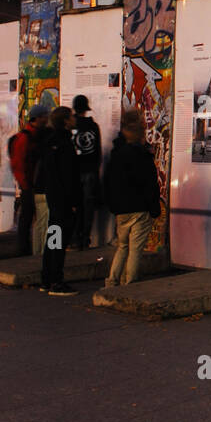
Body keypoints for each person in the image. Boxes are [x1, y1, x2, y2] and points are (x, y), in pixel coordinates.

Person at [103, 108, 160, 287]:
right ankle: (130, 282)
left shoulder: (117, 153)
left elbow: (109, 181)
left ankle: (112, 281)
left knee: (122, 246)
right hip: (140, 208)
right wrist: (154, 208)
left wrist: (113, 205)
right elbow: (150, 183)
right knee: (135, 249)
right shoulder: (143, 156)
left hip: (121, 209)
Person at [36, 106, 81, 296]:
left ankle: (47, 278)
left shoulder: (50, 142)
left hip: (53, 199)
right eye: (71, 116)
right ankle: (57, 280)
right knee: (59, 241)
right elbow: (68, 176)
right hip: (62, 201)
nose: (74, 118)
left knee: (53, 239)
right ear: (65, 121)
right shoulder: (64, 144)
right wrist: (73, 201)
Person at [11, 104, 49, 256]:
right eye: (44, 116)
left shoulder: (34, 135)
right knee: (29, 218)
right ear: (38, 118)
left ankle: (32, 250)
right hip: (31, 185)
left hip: (33, 184)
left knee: (32, 219)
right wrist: (26, 185)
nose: (47, 119)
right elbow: (18, 163)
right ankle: (27, 250)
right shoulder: (26, 137)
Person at [71, 94, 102, 251]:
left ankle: (75, 238)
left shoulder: (70, 127)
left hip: (74, 172)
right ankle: (85, 238)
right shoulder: (93, 126)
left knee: (75, 206)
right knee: (88, 206)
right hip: (90, 171)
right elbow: (98, 152)